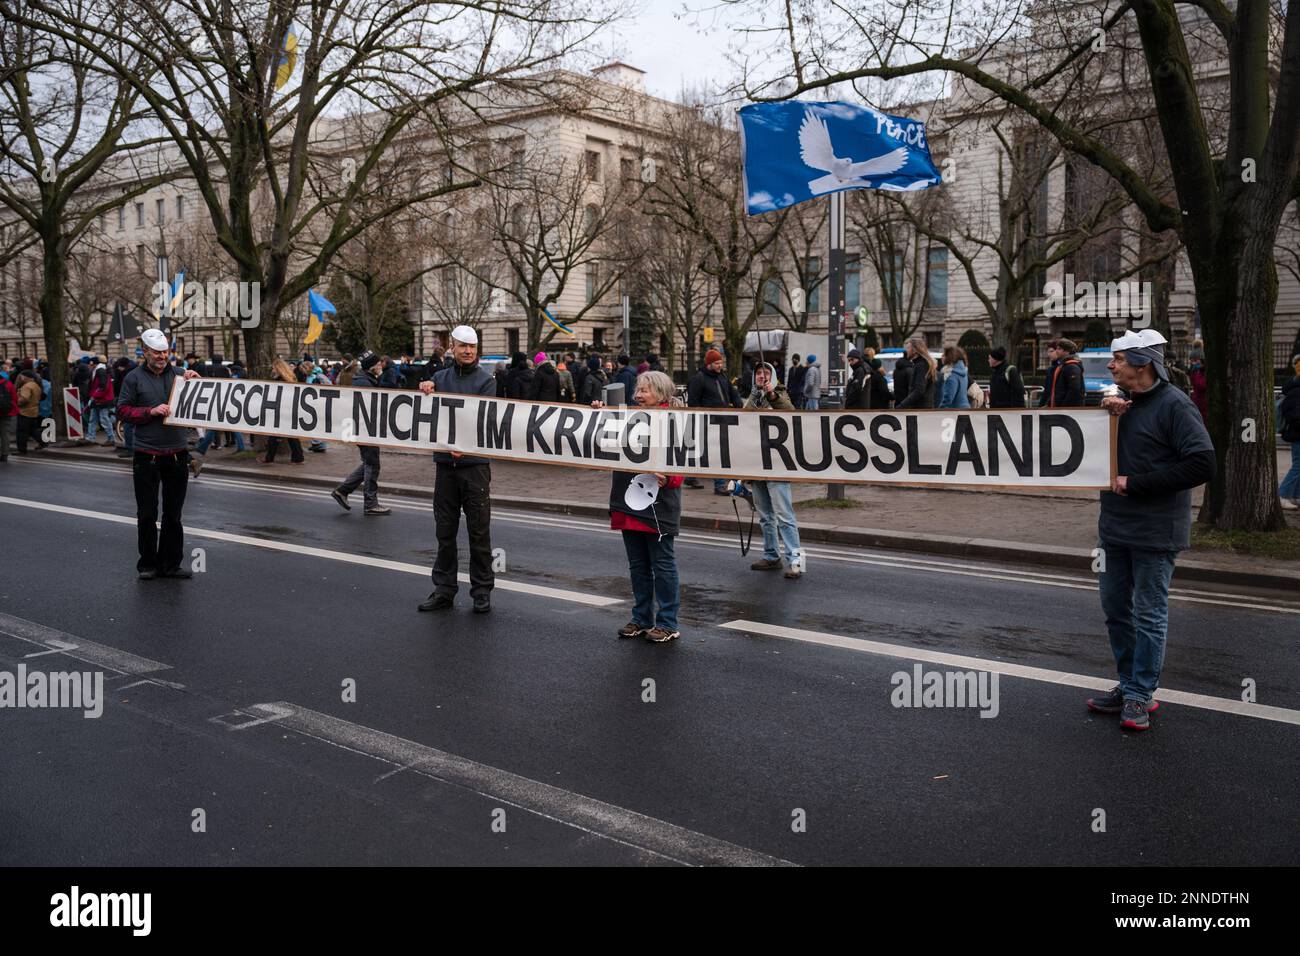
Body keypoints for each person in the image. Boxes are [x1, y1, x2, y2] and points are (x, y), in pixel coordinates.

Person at [1088, 329, 1215, 732]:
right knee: (1115, 612)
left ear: (1143, 364)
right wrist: (1101, 414)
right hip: (1114, 528)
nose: (1112, 365)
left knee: (1148, 615)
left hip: (1156, 532)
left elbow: (1202, 465)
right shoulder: (1118, 404)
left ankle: (1142, 693)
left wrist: (1134, 483)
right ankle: (1128, 686)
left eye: (1119, 359)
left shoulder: (1177, 406)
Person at [595, 370, 684, 642]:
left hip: (657, 506)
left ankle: (668, 622)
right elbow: (602, 443)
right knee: (638, 566)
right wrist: (599, 417)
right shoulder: (627, 416)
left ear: (661, 393)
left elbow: (684, 459)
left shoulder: (675, 422)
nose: (638, 395)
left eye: (645, 390)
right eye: (638, 390)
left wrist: (669, 478)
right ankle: (642, 618)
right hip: (628, 501)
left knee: (662, 565)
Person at [418, 325, 497, 614]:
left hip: (474, 466)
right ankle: (444, 589)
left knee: (479, 531)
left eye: (472, 347)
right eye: (463, 346)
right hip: (445, 466)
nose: (467, 351)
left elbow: (485, 420)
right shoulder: (439, 378)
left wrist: (467, 443)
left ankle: (481, 590)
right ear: (452, 346)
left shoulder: (486, 381)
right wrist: (425, 388)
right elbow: (429, 412)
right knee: (445, 530)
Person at [115, 329, 203, 579]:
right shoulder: (133, 378)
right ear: (145, 352)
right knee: (147, 513)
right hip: (147, 455)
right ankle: (147, 564)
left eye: (165, 351)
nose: (162, 356)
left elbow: (200, 400)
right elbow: (122, 411)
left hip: (177, 454)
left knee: (174, 514)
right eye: (157, 352)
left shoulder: (179, 375)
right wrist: (150, 412)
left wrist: (195, 380)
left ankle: (171, 564)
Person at [743, 363, 804, 579]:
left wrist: (771, 394)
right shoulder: (753, 397)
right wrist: (755, 394)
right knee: (765, 515)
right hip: (756, 463)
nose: (761, 376)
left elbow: (790, 412)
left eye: (766, 373)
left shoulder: (780, 394)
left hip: (777, 463)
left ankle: (796, 560)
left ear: (773, 376)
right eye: (758, 373)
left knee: (784, 514)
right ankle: (771, 555)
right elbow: (743, 418)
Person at [330, 350, 392, 515]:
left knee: (369, 463)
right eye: (378, 363)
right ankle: (370, 504)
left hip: (364, 428)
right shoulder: (364, 383)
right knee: (372, 464)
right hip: (365, 429)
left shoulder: (365, 380)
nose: (381, 365)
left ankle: (342, 491)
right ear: (371, 366)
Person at [687, 348, 743, 496]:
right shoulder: (699, 379)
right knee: (715, 453)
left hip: (723, 420)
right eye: (717, 363)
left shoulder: (723, 376)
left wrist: (738, 403)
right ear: (709, 364)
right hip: (707, 421)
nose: (720, 365)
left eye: (721, 362)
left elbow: (732, 393)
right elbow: (692, 402)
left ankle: (690, 476)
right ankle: (719, 485)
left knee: (706, 452)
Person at [261, 359, 306, 464]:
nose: (272, 369)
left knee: (276, 433)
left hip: (282, 409)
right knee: (290, 435)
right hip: (289, 409)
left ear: (278, 368)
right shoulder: (291, 378)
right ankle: (298, 457)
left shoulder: (280, 380)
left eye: (274, 367)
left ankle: (269, 458)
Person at [1279, 354, 1300, 511]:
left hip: (1297, 432)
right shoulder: (1296, 390)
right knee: (1298, 466)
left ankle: (1295, 495)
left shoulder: (1294, 388)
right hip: (1297, 433)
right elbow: (1293, 413)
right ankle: (1282, 494)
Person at [1040, 338, 1084, 407]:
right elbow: (1057, 390)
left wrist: (1063, 407)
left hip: (1067, 410)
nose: (1056, 351)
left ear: (1067, 351)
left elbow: (1074, 390)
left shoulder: (1072, 367)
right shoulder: (1064, 365)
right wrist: (1048, 404)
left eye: (1059, 349)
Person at [895, 336, 937, 408]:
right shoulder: (920, 364)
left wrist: (902, 405)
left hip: (921, 410)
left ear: (914, 350)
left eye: (908, 348)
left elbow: (919, 390)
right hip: (922, 409)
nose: (906, 351)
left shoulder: (921, 365)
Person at [84, 356, 116, 444]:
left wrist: (94, 396)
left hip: (102, 400)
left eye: (90, 364)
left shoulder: (100, 372)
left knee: (103, 419)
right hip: (99, 399)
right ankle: (91, 437)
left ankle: (111, 438)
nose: (89, 366)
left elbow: (102, 387)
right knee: (94, 419)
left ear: (93, 364)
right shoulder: (100, 371)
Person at [15, 369, 44, 453]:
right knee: (33, 430)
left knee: (21, 432)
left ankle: (22, 450)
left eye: (22, 376)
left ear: (26, 377)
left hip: (25, 412)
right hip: (34, 411)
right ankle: (43, 442)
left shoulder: (26, 386)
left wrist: (16, 402)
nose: (20, 378)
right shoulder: (35, 385)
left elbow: (24, 399)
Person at [0, 368, 16, 461]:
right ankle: (5, 453)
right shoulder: (8, 384)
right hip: (6, 412)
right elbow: (14, 398)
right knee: (5, 433)